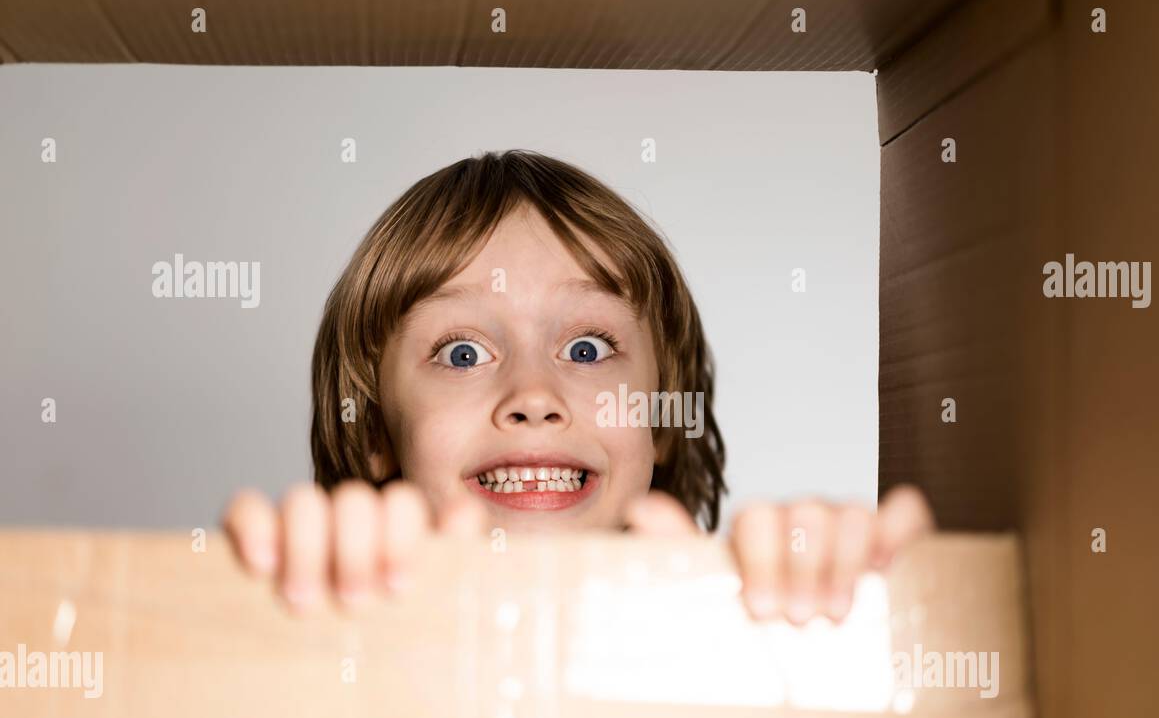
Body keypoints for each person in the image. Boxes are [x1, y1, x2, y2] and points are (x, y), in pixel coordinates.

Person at [222, 150, 933, 624]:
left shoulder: (744, 617)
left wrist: (839, 592)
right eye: (463, 352)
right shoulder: (333, 629)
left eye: (588, 348)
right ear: (375, 430)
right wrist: (292, 600)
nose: (533, 394)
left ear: (658, 419)